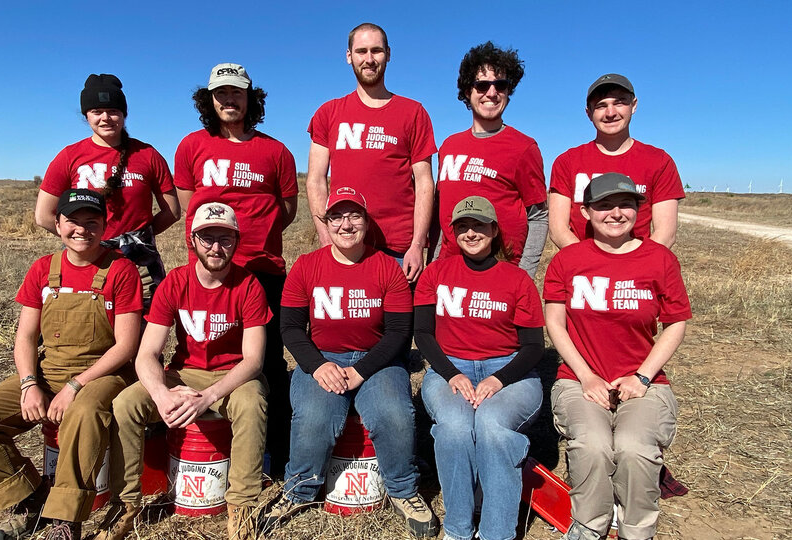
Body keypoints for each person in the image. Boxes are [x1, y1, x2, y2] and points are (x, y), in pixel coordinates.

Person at [0, 189, 142, 540]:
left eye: (91, 222)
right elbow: (25, 338)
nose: (81, 230)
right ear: (57, 224)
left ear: (104, 225)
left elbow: (126, 347)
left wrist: (75, 386)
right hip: (49, 372)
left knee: (84, 413)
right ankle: (28, 498)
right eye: (72, 222)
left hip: (105, 374)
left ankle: (66, 519)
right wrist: (29, 383)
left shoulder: (121, 269)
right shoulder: (42, 269)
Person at [264, 187, 439, 538]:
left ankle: (404, 490)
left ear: (367, 221)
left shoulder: (387, 268)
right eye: (337, 217)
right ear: (326, 223)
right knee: (315, 416)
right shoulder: (306, 266)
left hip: (377, 361)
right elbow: (291, 328)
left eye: (354, 215)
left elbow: (399, 333)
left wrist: (362, 370)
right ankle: (299, 490)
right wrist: (317, 366)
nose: (346, 224)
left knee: (394, 412)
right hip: (323, 358)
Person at [94, 203, 271, 540]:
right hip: (184, 372)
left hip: (232, 376)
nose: (216, 248)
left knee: (252, 404)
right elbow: (147, 353)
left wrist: (210, 396)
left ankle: (242, 506)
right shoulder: (175, 282)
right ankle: (128, 502)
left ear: (237, 241)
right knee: (126, 404)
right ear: (192, 240)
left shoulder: (249, 286)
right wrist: (161, 394)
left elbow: (253, 361)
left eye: (225, 239)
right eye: (207, 238)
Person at [544, 173, 691, 540]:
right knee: (592, 446)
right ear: (587, 212)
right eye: (604, 205)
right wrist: (587, 376)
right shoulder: (567, 261)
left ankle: (636, 530)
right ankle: (588, 527)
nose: (615, 213)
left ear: (639, 210)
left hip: (645, 381)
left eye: (625, 204)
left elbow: (675, 324)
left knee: (633, 448)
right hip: (578, 379)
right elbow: (555, 324)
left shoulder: (659, 259)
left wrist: (641, 377)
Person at [174, 62, 298, 475]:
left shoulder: (276, 151)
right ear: (210, 100)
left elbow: (287, 209)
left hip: (262, 271)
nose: (229, 100)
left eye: (237, 93)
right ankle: (205, 447)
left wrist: (256, 234)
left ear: (250, 97)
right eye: (221, 93)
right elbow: (188, 205)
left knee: (269, 363)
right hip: (208, 273)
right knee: (204, 352)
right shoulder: (192, 146)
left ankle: (278, 455)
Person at [415, 195, 545, 540]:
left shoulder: (517, 280)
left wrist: (499, 380)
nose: (471, 233)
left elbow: (534, 347)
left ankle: (496, 532)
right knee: (455, 427)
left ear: (494, 230)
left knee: (492, 425)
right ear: (453, 232)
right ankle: (458, 529)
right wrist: (451, 373)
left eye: (479, 225)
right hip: (450, 366)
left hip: (509, 369)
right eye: (463, 226)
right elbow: (423, 333)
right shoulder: (437, 273)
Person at [306, 22, 436, 283]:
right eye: (361, 51)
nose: (369, 59)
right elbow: (316, 180)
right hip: (346, 243)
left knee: (399, 325)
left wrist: (417, 245)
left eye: (376, 51)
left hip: (399, 250)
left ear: (388, 53)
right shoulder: (328, 113)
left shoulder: (413, 113)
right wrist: (324, 237)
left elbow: (424, 182)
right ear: (348, 56)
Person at [36, 73, 179, 309]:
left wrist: (137, 239)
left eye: (113, 111)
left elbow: (172, 211)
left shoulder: (148, 155)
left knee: (145, 327)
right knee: (88, 325)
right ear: (86, 116)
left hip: (139, 264)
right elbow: (43, 215)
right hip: (86, 260)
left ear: (124, 114)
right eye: (97, 112)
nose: (106, 118)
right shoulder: (70, 156)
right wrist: (81, 238)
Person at [434, 42, 547, 278]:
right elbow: (441, 217)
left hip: (501, 274)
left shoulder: (524, 147)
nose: (492, 93)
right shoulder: (448, 146)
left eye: (501, 85)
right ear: (468, 91)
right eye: (482, 85)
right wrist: (433, 265)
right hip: (449, 273)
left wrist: (523, 275)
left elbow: (538, 216)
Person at [548, 74, 684, 250]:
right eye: (601, 106)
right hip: (582, 270)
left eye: (619, 102)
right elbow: (558, 230)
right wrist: (587, 262)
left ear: (633, 105)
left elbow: (665, 234)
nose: (610, 113)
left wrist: (634, 266)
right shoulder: (566, 162)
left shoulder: (659, 161)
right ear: (589, 113)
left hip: (638, 270)